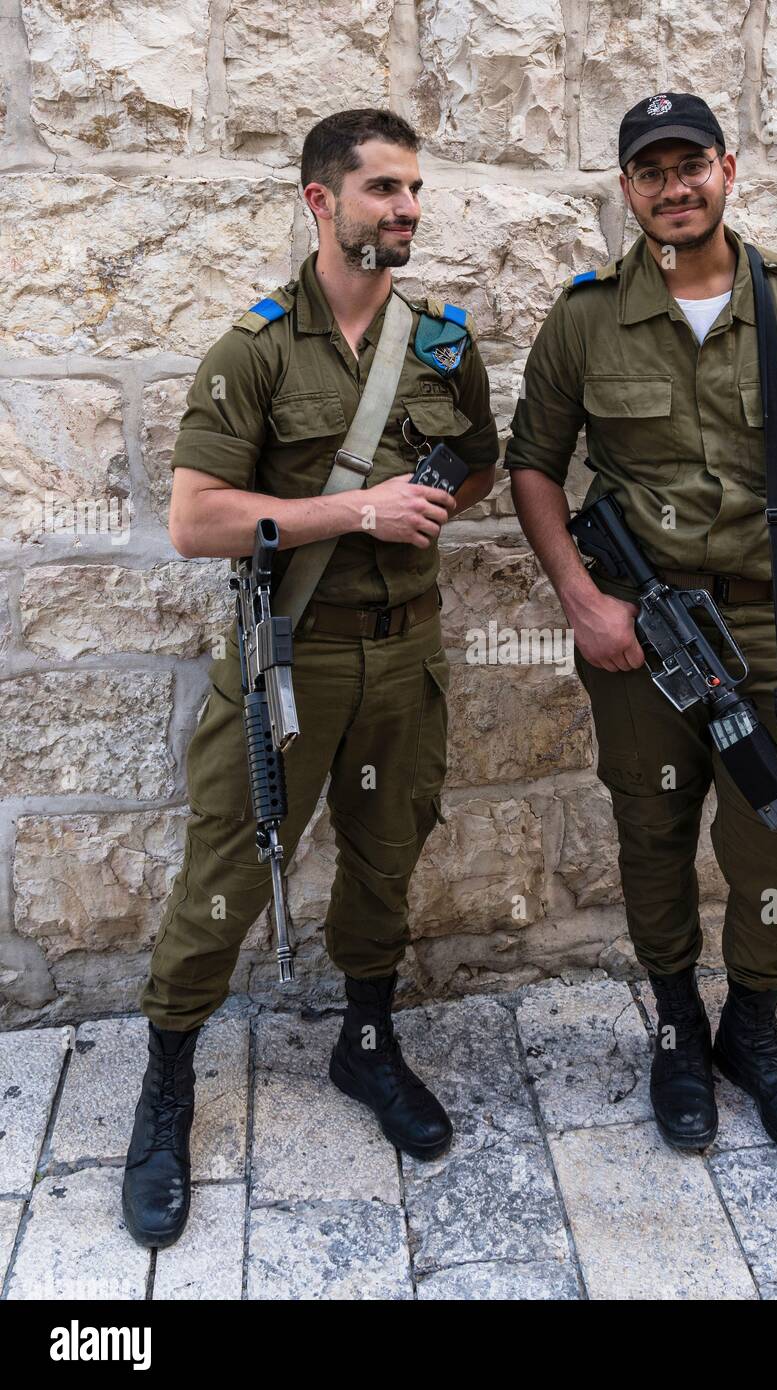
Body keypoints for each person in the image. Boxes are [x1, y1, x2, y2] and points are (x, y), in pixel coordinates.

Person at [122, 109, 499, 1249]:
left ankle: (366, 1042)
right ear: (318, 200)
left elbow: (477, 459)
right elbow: (195, 519)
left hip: (406, 651)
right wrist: (355, 510)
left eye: (414, 191)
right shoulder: (256, 348)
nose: (405, 209)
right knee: (228, 871)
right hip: (292, 653)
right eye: (382, 188)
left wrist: (430, 500)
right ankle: (168, 1082)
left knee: (388, 854)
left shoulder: (440, 340)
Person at [505, 92, 777, 1162]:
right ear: (626, 191)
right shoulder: (584, 315)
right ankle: (677, 1025)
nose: (672, 188)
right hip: (639, 638)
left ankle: (751, 1031)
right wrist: (583, 599)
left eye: (690, 166)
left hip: (770, 632)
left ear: (727, 170)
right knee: (652, 832)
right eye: (648, 172)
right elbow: (531, 464)